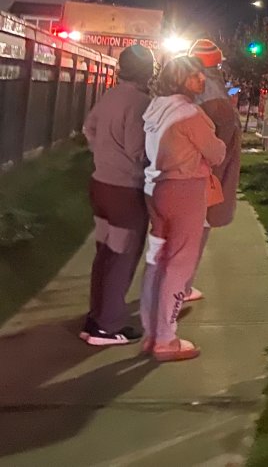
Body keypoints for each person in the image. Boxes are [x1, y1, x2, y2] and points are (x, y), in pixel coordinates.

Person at [140, 56, 227, 362]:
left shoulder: (156, 109)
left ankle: (151, 333)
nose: (201, 80)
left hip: (156, 189)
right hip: (185, 190)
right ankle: (166, 339)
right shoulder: (190, 114)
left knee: (156, 260)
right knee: (179, 265)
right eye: (194, 75)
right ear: (180, 80)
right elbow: (216, 153)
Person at [79, 44, 156, 346]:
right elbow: (139, 150)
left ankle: (95, 316)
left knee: (105, 253)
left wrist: (104, 153)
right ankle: (107, 326)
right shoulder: (141, 103)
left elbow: (89, 128)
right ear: (147, 71)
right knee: (122, 257)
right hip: (125, 192)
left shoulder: (110, 95)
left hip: (100, 185)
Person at [185, 39, 242, 303]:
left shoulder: (183, 92)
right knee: (197, 231)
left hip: (180, 177)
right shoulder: (217, 101)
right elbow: (219, 149)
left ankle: (174, 287)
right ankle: (181, 288)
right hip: (206, 180)